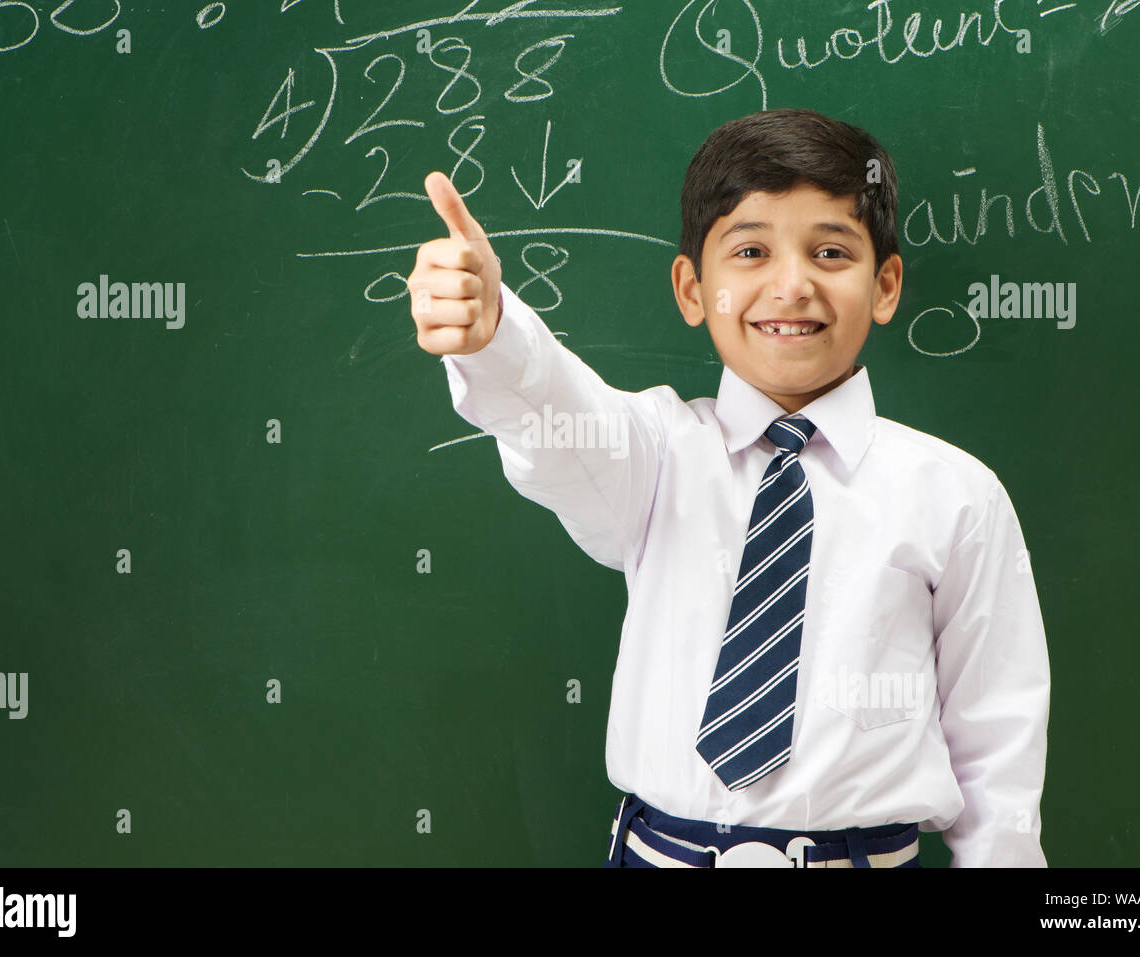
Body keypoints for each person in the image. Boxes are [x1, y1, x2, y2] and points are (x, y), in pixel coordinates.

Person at [406, 108, 1049, 868]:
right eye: (749, 250)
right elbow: (557, 412)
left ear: (885, 285)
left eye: (831, 252)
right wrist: (494, 335)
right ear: (691, 288)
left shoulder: (957, 496)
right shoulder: (654, 454)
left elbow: (997, 749)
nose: (791, 284)